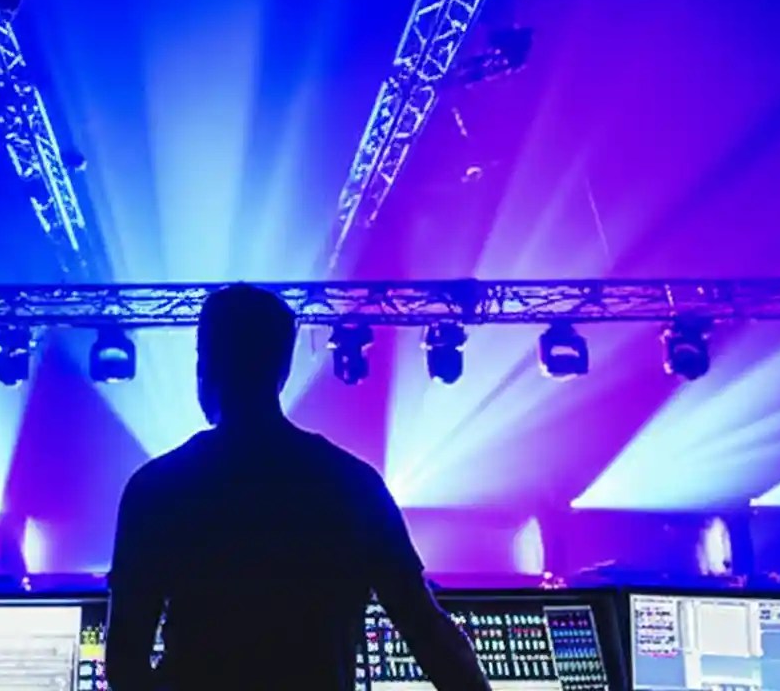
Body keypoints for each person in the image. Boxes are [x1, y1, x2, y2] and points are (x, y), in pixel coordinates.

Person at [105, 284, 491, 691]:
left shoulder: (155, 488)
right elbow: (429, 634)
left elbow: (125, 664)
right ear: (284, 370)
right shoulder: (354, 484)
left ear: (205, 364)